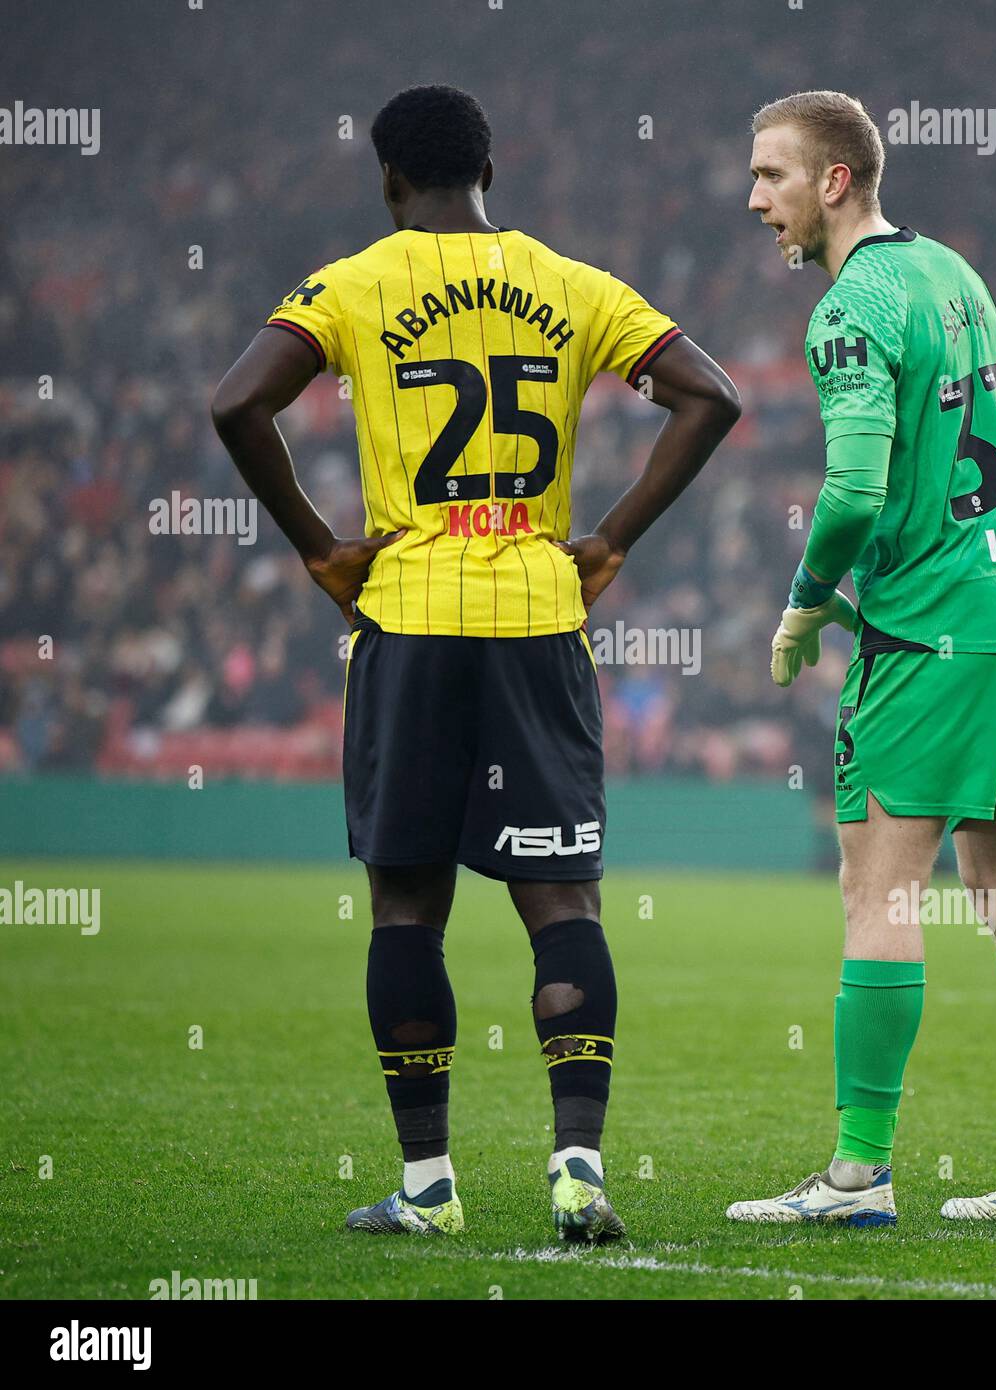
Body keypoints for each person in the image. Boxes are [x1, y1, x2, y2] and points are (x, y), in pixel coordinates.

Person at [211, 84, 740, 1243]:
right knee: (562, 901)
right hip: (537, 615)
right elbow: (709, 395)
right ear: (489, 170)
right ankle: (579, 1171)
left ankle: (428, 1186)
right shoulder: (573, 283)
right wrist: (609, 537)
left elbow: (237, 403)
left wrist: (317, 547)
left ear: (391, 181)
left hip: (407, 615)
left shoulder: (349, 283)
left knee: (406, 906)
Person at [727, 91, 996, 1227]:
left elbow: (851, 490)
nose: (754, 201)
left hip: (930, 624)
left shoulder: (851, 306)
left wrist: (801, 605)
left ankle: (855, 1172)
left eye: (772, 177)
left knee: (877, 884)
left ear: (834, 180)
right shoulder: (952, 273)